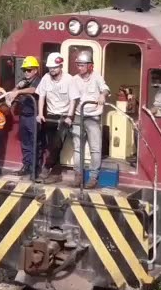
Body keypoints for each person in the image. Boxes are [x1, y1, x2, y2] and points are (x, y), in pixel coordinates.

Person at [35, 51, 77, 182]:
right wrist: (40, 114)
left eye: (54, 67)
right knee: (51, 145)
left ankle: (46, 167)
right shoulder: (45, 78)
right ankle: (56, 173)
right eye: (50, 67)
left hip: (64, 116)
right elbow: (41, 97)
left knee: (57, 143)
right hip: (50, 115)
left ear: (60, 66)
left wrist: (69, 116)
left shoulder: (69, 80)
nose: (52, 70)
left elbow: (73, 100)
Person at [70, 50, 110, 188]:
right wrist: (70, 116)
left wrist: (102, 95)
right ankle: (78, 176)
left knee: (95, 148)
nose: (79, 67)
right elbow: (73, 99)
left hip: (93, 117)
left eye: (82, 65)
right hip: (78, 116)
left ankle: (93, 177)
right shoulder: (74, 80)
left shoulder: (97, 77)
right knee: (78, 148)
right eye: (78, 65)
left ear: (89, 66)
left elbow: (105, 89)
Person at [4, 56, 41, 178]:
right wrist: (17, 88)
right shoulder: (24, 81)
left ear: (35, 70)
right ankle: (26, 166)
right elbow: (12, 93)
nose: (26, 72)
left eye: (29, 70)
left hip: (33, 117)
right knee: (25, 143)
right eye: (24, 70)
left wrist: (19, 91)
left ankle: (35, 170)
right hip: (23, 116)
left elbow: (33, 90)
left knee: (35, 143)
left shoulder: (38, 80)